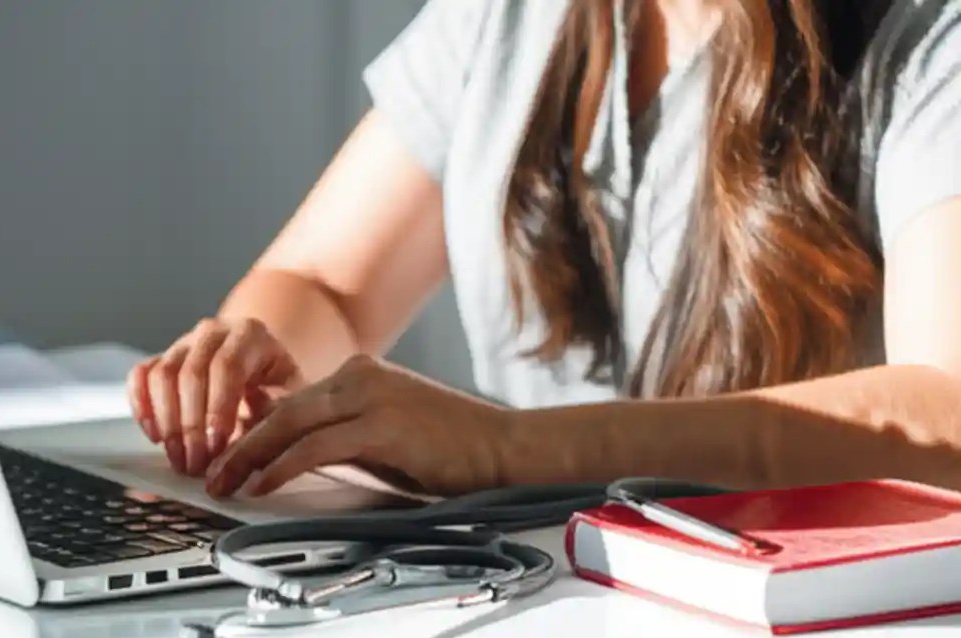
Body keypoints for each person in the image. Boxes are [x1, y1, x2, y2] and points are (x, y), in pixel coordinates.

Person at [127, 0, 961, 500]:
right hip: (527, 604)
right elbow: (323, 284)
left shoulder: (928, 39)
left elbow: (946, 412)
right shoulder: (507, 18)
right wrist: (260, 376)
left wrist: (509, 450)